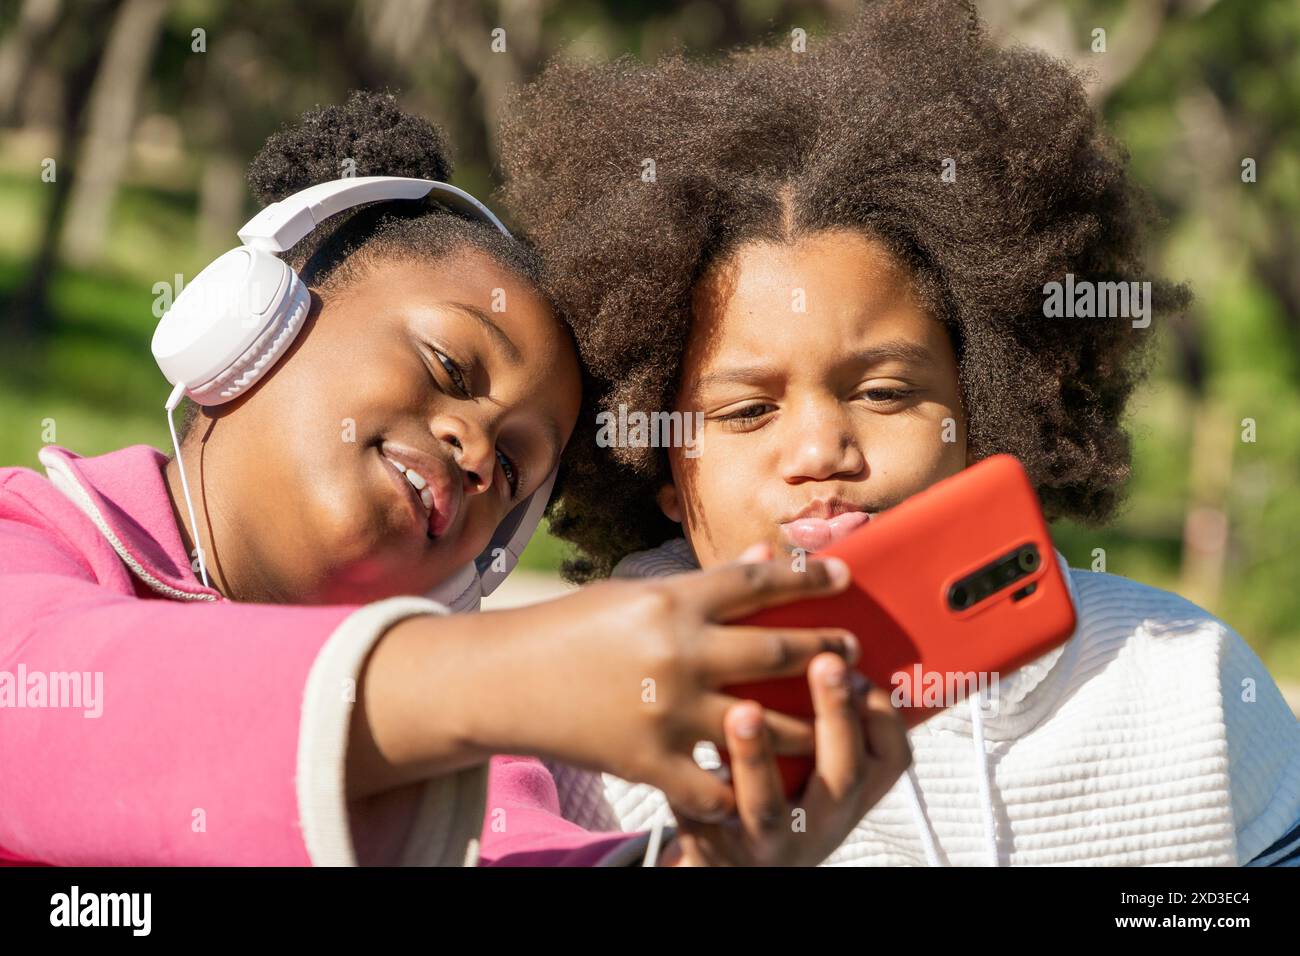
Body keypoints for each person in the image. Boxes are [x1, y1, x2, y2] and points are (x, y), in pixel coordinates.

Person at [0, 91, 910, 867]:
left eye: (516, 467)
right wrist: (506, 677)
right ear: (252, 322)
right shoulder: (30, 536)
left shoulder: (467, 745)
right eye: (448, 366)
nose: (478, 449)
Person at [497, 1, 1300, 865]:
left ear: (984, 409)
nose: (820, 452)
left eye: (883, 392)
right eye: (746, 411)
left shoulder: (1187, 684)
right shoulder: (586, 740)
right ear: (654, 458)